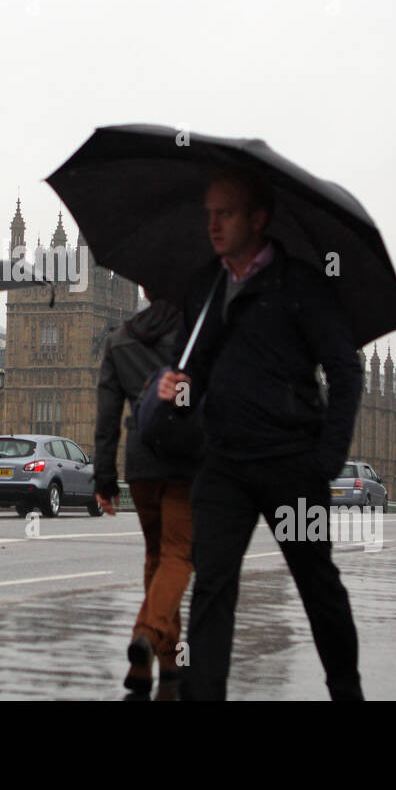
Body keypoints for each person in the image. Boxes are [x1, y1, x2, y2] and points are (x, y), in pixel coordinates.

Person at [156, 171, 365, 701]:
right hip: (223, 462)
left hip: (291, 462)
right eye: (209, 213)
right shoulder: (205, 287)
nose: (213, 224)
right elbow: (194, 375)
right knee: (212, 588)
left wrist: (326, 461)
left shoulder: (300, 285)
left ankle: (347, 690)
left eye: (224, 213)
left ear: (258, 218)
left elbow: (346, 369)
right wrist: (176, 392)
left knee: (316, 584)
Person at [93, 295, 190, 697]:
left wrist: (104, 478)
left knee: (158, 555)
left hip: (141, 460)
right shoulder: (194, 334)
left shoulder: (118, 339)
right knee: (179, 555)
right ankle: (146, 634)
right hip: (184, 459)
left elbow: (107, 413)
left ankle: (164, 662)